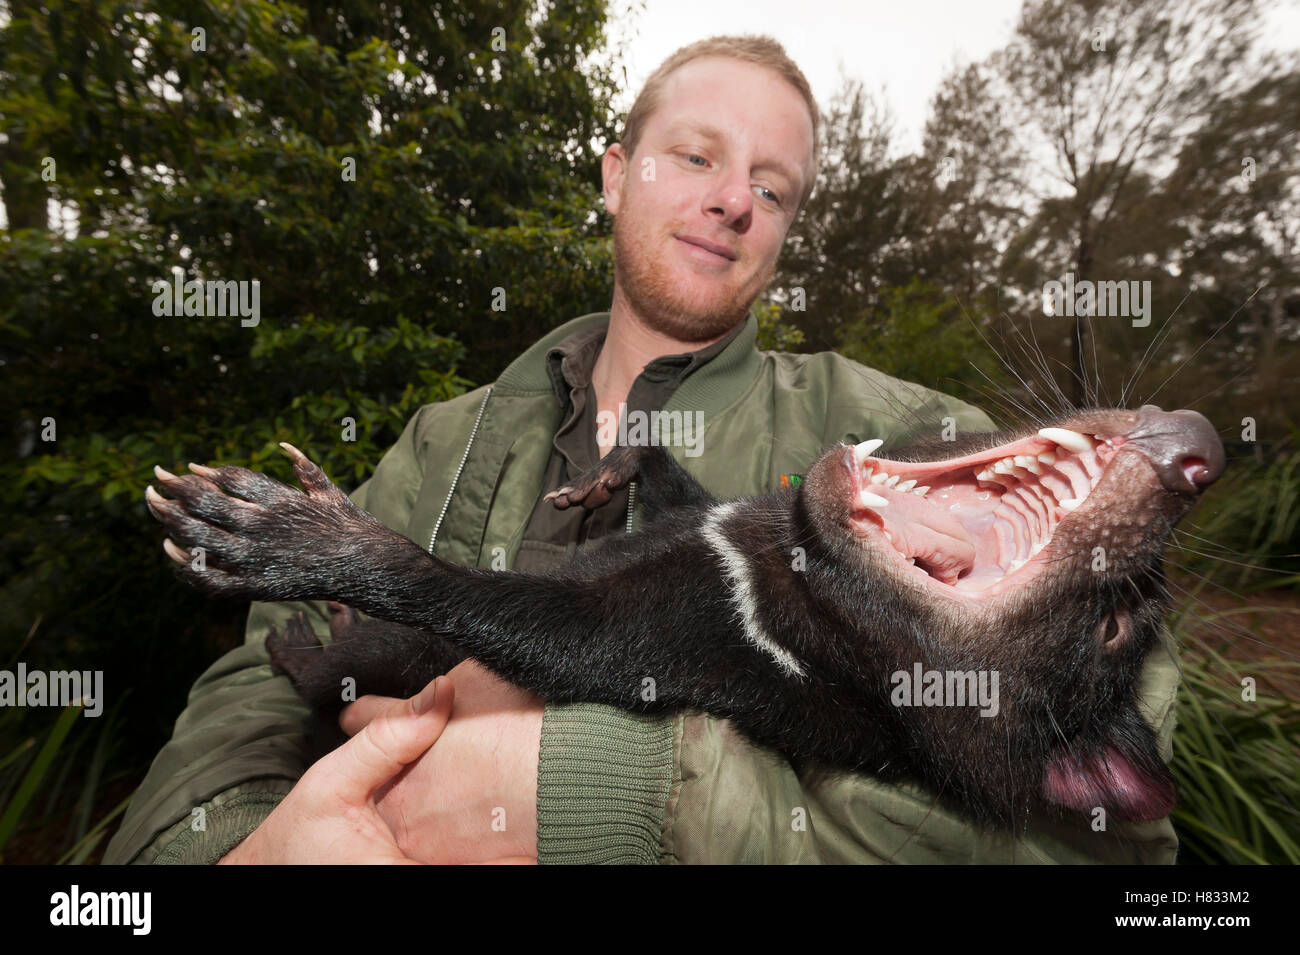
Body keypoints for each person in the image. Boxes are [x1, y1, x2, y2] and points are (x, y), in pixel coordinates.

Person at [105, 34, 1180, 865]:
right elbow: (259, 678)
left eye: (772, 187)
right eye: (696, 156)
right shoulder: (445, 437)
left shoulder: (906, 441)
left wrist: (621, 792)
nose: (732, 200)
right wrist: (240, 845)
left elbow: (1094, 820)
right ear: (616, 174)